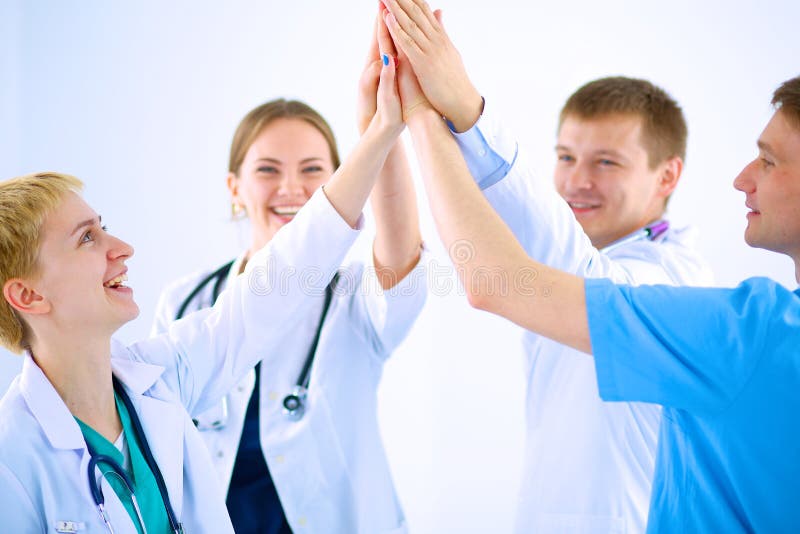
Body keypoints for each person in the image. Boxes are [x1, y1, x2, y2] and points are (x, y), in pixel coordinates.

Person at [384, 5, 800, 528]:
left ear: (668, 176)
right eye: (565, 157)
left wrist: (436, 112)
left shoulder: (700, 298)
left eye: (606, 162)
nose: (578, 181)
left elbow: (506, 279)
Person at [0, 41, 408, 533]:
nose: (123, 248)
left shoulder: (162, 378)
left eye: (104, 227)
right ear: (28, 296)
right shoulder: (12, 456)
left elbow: (290, 269)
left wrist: (384, 128)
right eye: (87, 238)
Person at [149, 13, 425, 534]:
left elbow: (402, 253)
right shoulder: (185, 303)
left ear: (346, 175)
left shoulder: (353, 299)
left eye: (314, 170)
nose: (292, 189)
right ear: (235, 188)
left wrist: (381, 129)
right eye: (267, 170)